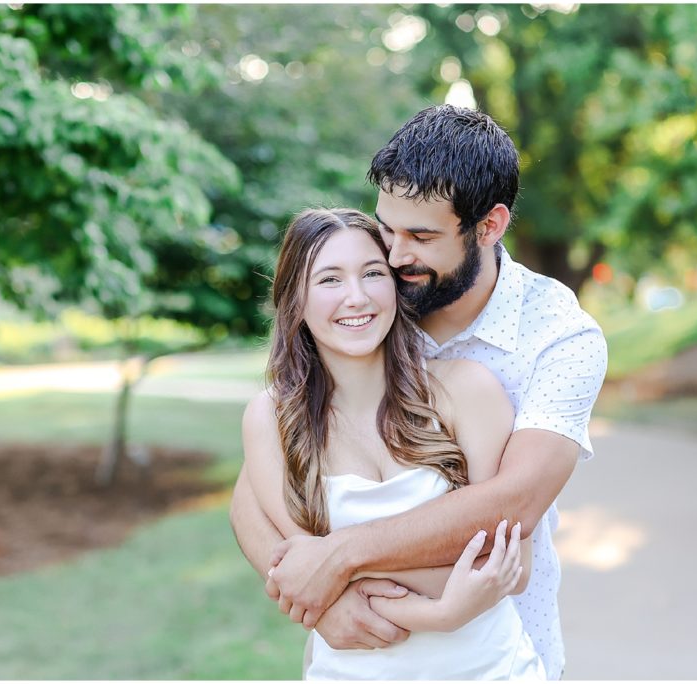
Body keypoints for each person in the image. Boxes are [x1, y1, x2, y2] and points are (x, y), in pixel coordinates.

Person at [230, 105, 608, 680]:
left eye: (422, 236)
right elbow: (253, 492)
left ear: (489, 226)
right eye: (387, 229)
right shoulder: (379, 298)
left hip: (500, 645)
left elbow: (513, 509)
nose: (394, 255)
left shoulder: (559, 338)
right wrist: (319, 600)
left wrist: (338, 560)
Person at [243, 206, 546, 679]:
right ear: (295, 299)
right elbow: (305, 574)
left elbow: (514, 565)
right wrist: (441, 610)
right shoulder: (272, 418)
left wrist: (343, 570)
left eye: (372, 273)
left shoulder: (466, 390)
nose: (357, 297)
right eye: (330, 280)